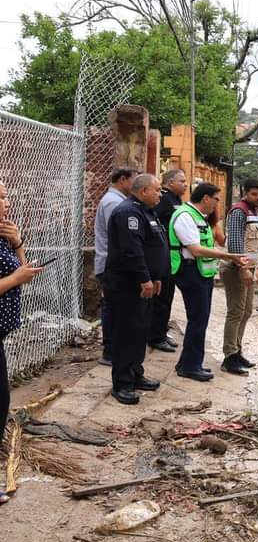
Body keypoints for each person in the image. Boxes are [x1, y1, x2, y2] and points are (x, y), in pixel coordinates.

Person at [167, 182, 246, 382]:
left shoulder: (198, 216)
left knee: (199, 319)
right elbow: (195, 249)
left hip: (201, 272)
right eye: (216, 199)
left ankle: (187, 363)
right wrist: (228, 256)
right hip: (190, 271)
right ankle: (190, 366)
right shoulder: (185, 216)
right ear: (206, 198)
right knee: (198, 320)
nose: (217, 203)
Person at [103, 173, 169, 405]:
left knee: (140, 331)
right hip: (127, 285)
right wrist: (144, 279)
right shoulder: (128, 212)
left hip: (144, 282)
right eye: (157, 190)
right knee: (126, 334)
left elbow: (153, 246)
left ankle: (135, 373)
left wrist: (155, 276)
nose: (160, 195)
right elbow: (132, 251)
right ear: (143, 191)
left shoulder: (147, 211)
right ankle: (122, 383)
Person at [0, 181, 45, 507]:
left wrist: (17, 243)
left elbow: (22, 270)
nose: (7, 202)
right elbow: (17, 277)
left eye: (5, 195)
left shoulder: (3, 234)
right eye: (0, 197)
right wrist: (16, 279)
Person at [222, 179, 258, 375]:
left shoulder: (257, 211)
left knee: (246, 311)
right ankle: (229, 357)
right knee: (236, 312)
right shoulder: (239, 211)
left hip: (250, 268)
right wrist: (243, 269)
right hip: (236, 269)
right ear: (245, 193)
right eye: (254, 194)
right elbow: (235, 243)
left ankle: (237, 351)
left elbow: (257, 242)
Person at [93, 167, 136, 366]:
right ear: (123, 180)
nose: (135, 185)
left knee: (114, 307)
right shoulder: (114, 203)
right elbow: (121, 236)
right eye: (133, 180)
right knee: (113, 308)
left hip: (112, 263)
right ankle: (111, 352)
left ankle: (114, 350)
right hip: (111, 264)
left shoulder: (117, 201)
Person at [148, 169, 187, 353]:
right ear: (170, 182)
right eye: (182, 181)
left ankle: (161, 332)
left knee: (168, 297)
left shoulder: (176, 200)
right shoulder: (163, 199)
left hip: (172, 256)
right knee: (161, 298)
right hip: (162, 255)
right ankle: (155, 336)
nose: (185, 185)